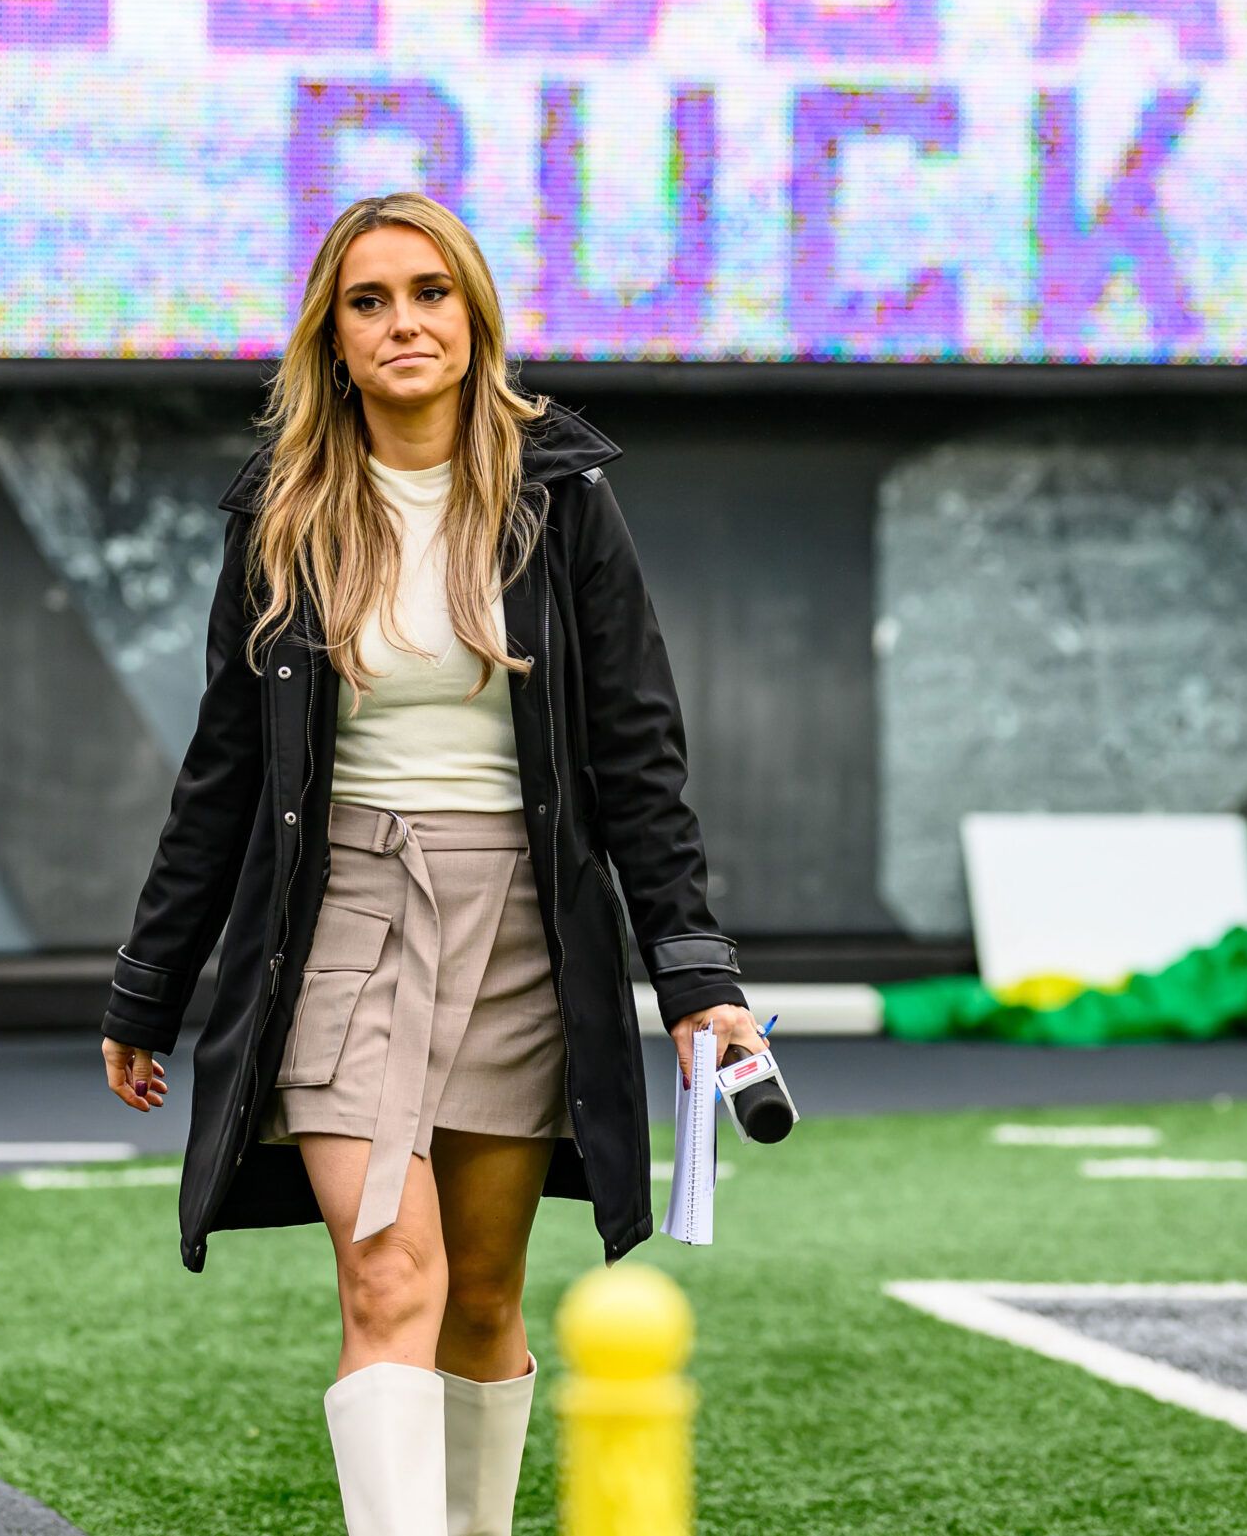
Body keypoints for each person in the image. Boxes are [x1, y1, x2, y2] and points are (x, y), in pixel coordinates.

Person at [98, 193, 761, 1535]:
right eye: (368, 300)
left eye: (428, 293)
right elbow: (225, 768)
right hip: (340, 913)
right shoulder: (281, 515)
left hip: (524, 927)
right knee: (388, 1276)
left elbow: (638, 750)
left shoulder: (561, 500)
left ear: (473, 317)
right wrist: (148, 980)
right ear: (332, 339)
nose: (403, 321)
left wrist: (695, 971)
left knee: (481, 1299)